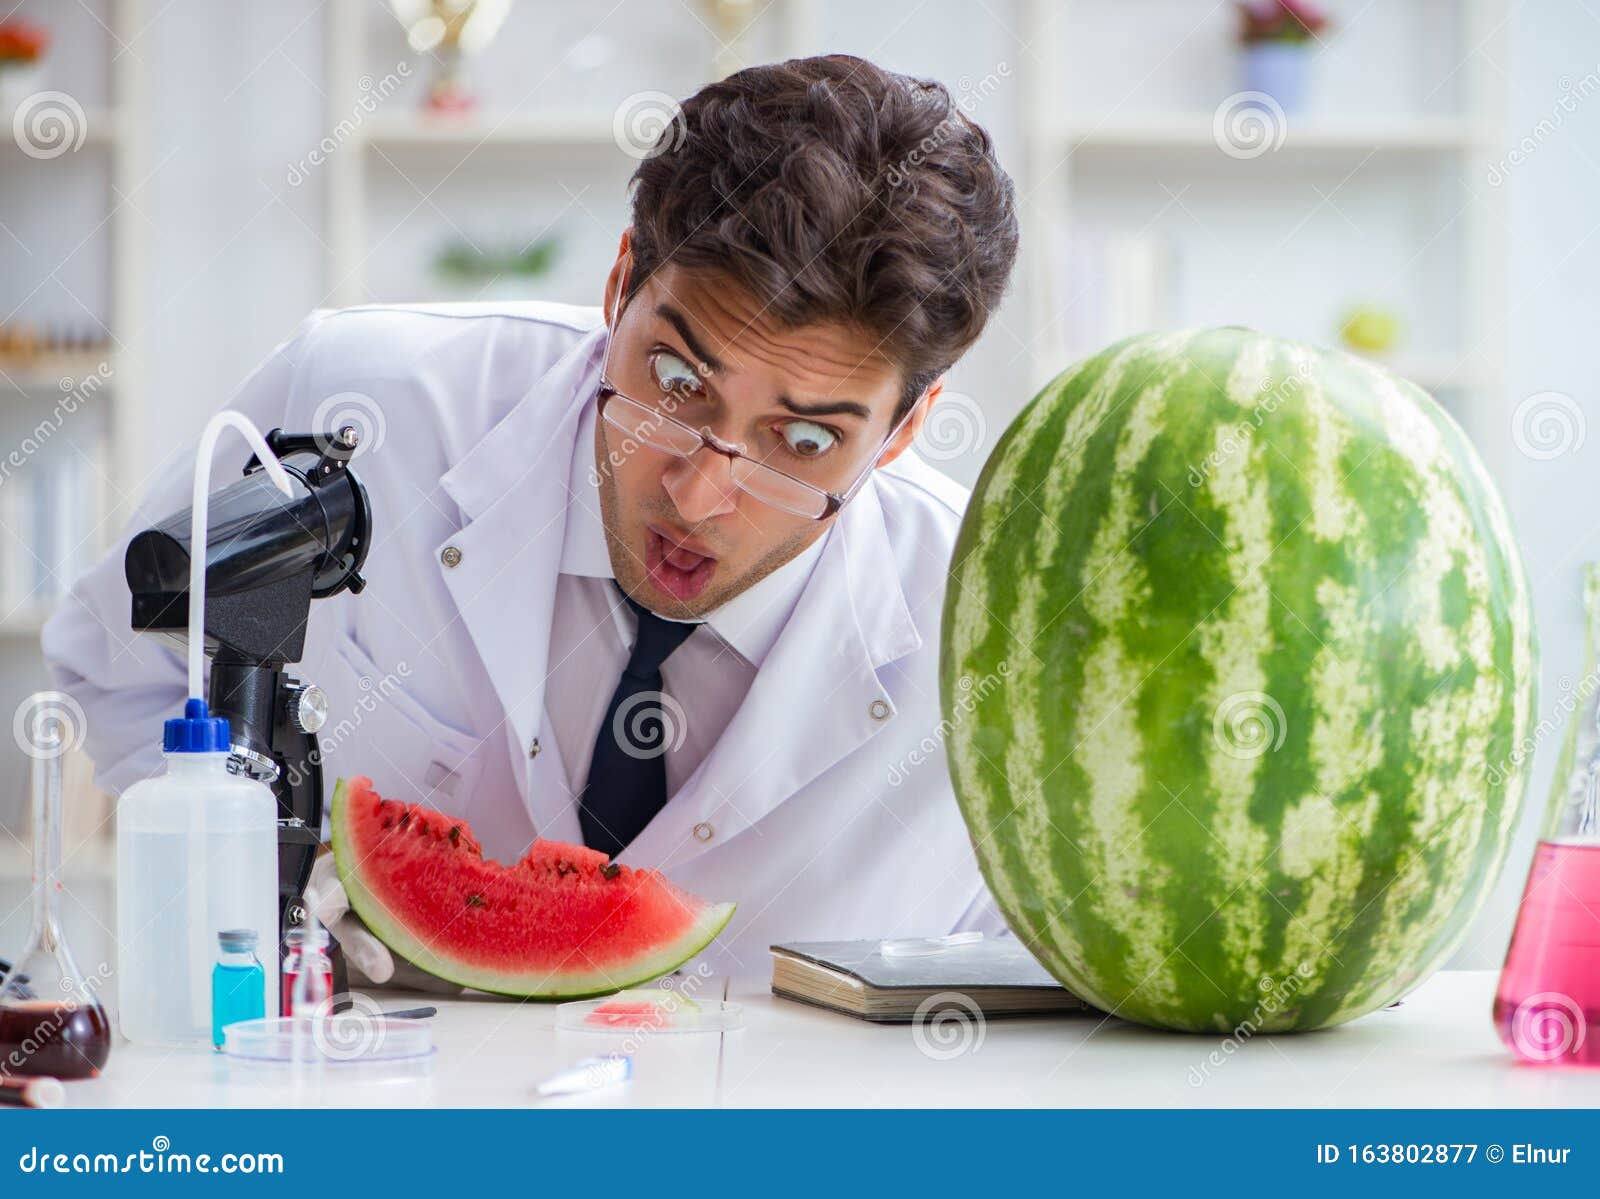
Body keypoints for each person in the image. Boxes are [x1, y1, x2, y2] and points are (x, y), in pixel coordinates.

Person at [43, 54, 1021, 982]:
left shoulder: (992, 632)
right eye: (675, 381)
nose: (700, 492)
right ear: (620, 281)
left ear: (904, 429)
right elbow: (116, 657)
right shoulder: (365, 406)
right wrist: (259, 885)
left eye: (801, 442)